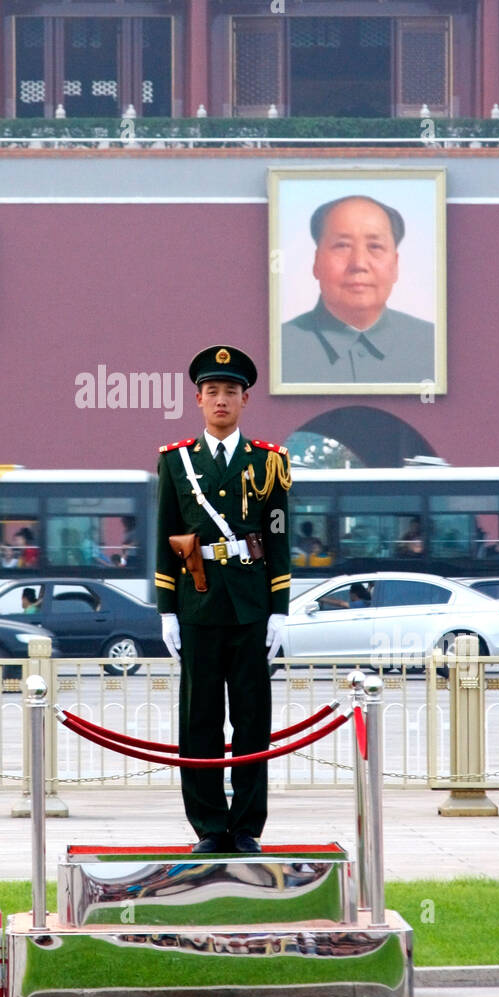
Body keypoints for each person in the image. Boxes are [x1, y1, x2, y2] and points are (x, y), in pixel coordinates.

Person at [156, 345, 291, 855]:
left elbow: (277, 535)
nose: (220, 400)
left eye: (229, 392)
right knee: (200, 720)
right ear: (198, 399)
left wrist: (280, 608)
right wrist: (166, 608)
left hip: (252, 604)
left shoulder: (269, 461)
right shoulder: (176, 461)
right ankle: (210, 827)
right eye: (211, 391)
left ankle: (247, 828)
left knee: (253, 718)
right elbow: (168, 533)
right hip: (198, 602)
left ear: (245, 399)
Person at [281, 195, 434, 383]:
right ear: (316, 263)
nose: (359, 264)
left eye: (375, 246)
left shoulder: (434, 345)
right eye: (342, 246)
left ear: (395, 265)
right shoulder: (277, 348)